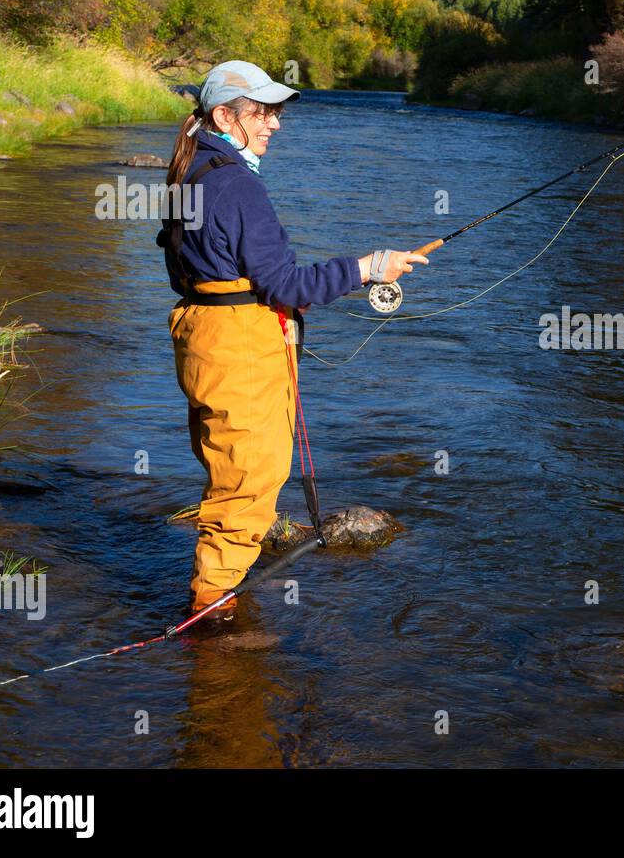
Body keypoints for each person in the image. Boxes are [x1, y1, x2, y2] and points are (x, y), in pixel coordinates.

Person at [159, 60, 427, 617]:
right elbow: (285, 282)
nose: (275, 124)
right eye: (263, 113)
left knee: (230, 470)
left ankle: (218, 593)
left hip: (204, 335)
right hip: (238, 345)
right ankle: (211, 618)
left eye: (276, 112)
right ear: (225, 116)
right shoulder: (236, 184)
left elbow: (208, 269)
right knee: (248, 481)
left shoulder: (194, 169)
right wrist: (370, 267)